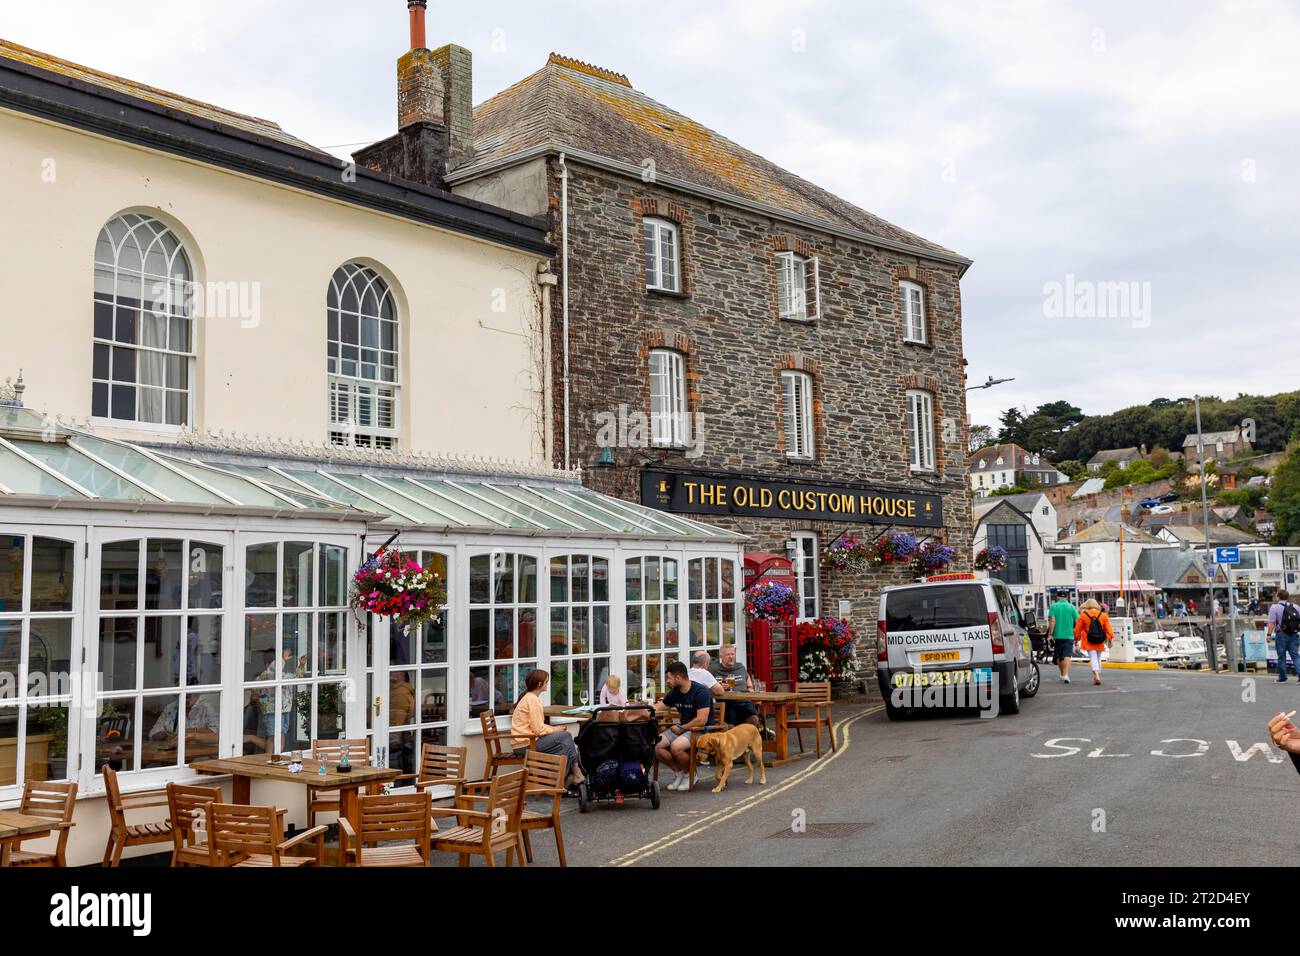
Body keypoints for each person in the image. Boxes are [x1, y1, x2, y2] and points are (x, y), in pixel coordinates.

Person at [511, 668, 585, 788]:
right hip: (525, 744)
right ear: (540, 684)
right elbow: (538, 730)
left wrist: (555, 729)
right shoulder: (532, 700)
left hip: (527, 742)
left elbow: (537, 726)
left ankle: (561, 780)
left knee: (565, 745)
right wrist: (556, 729)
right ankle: (574, 774)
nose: (547, 684)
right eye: (546, 682)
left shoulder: (529, 697)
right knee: (566, 736)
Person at [654, 660, 713, 791]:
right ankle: (679, 773)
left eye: (669, 678)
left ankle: (691, 774)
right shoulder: (675, 692)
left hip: (702, 730)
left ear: (678, 678)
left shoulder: (701, 692)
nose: (668, 681)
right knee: (656, 745)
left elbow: (701, 720)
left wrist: (681, 728)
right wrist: (641, 710)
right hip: (684, 728)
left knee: (676, 747)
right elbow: (659, 707)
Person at [708, 644, 761, 728]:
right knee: (730, 726)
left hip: (744, 701)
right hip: (727, 703)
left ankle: (744, 737)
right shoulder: (714, 670)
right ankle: (736, 739)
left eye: (732, 654)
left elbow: (749, 685)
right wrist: (717, 688)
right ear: (721, 656)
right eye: (728, 654)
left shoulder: (740, 666)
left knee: (753, 718)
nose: (731, 657)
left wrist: (751, 690)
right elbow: (706, 688)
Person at [1074, 598, 1114, 686]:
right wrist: (1110, 640)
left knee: (1093, 657)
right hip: (1100, 639)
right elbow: (1108, 629)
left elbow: (1078, 629)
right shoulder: (1103, 615)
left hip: (1089, 640)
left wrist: (1076, 639)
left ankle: (1097, 675)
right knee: (1098, 657)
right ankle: (1097, 675)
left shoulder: (1083, 615)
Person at [1267, 589, 1300, 683]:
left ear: (1278, 597)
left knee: (1281, 657)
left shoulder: (1274, 607)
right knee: (1295, 655)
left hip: (1281, 635)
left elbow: (1271, 623)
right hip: (1294, 634)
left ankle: (1282, 678)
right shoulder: (1296, 607)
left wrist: (1269, 635)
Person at [1047, 594, 1079, 684]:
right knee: (1067, 655)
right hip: (1069, 635)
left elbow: (1052, 621)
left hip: (1057, 635)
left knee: (1059, 655)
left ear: (1057, 597)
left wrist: (1050, 634)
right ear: (1067, 598)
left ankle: (1062, 674)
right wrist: (1075, 632)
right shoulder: (1072, 607)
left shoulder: (1053, 606)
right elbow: (1077, 621)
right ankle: (1065, 675)